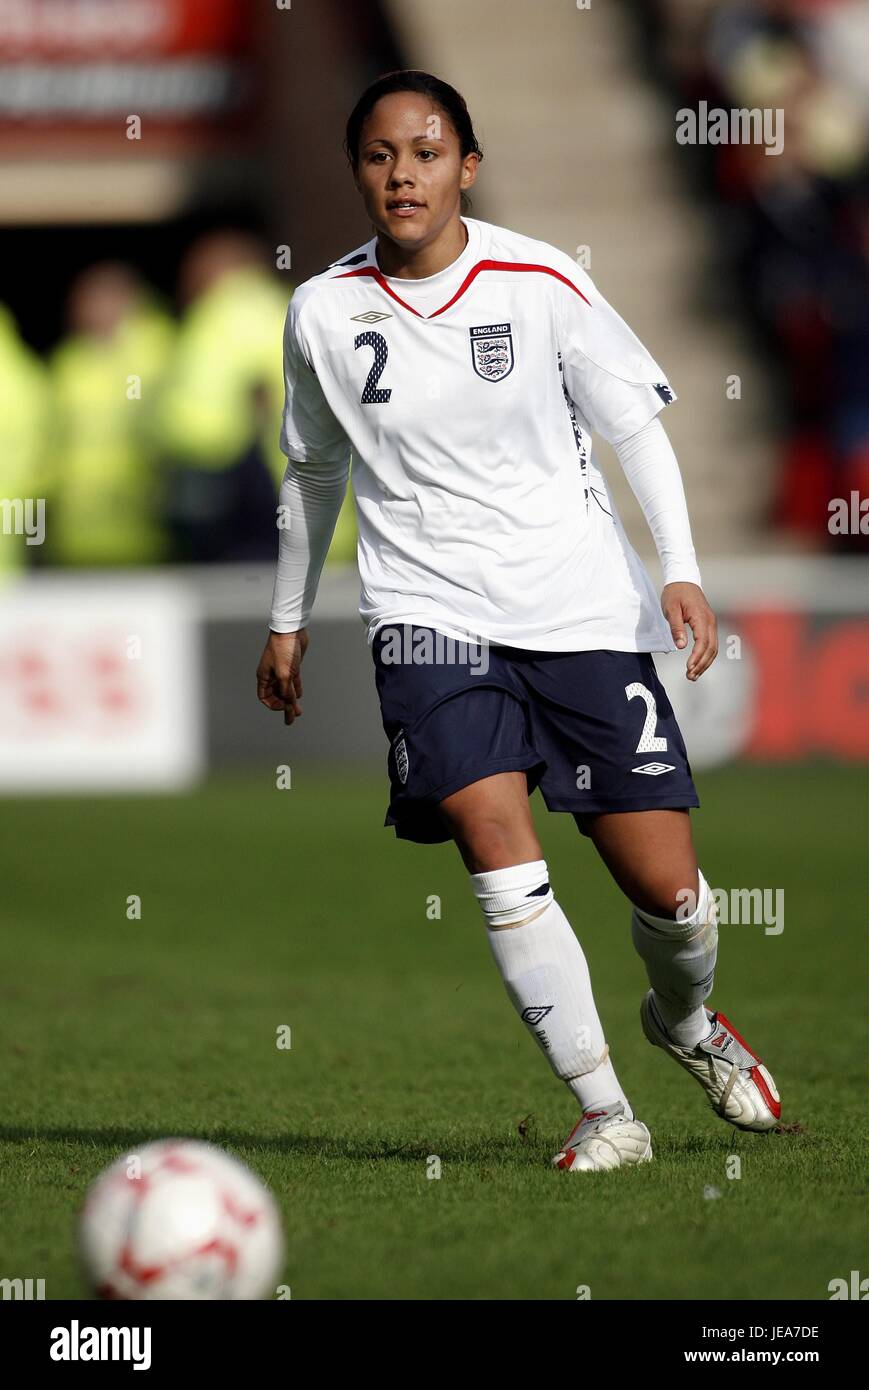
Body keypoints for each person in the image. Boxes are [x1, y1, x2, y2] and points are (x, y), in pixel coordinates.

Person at [257, 70, 781, 1172]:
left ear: (467, 167)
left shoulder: (539, 279)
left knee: (667, 892)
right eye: (379, 155)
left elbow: (631, 426)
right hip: (427, 611)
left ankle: (683, 1022)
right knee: (494, 846)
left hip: (577, 602)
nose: (402, 173)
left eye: (427, 151)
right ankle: (605, 1111)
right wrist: (288, 615)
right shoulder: (322, 309)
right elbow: (312, 471)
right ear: (357, 170)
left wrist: (678, 570)